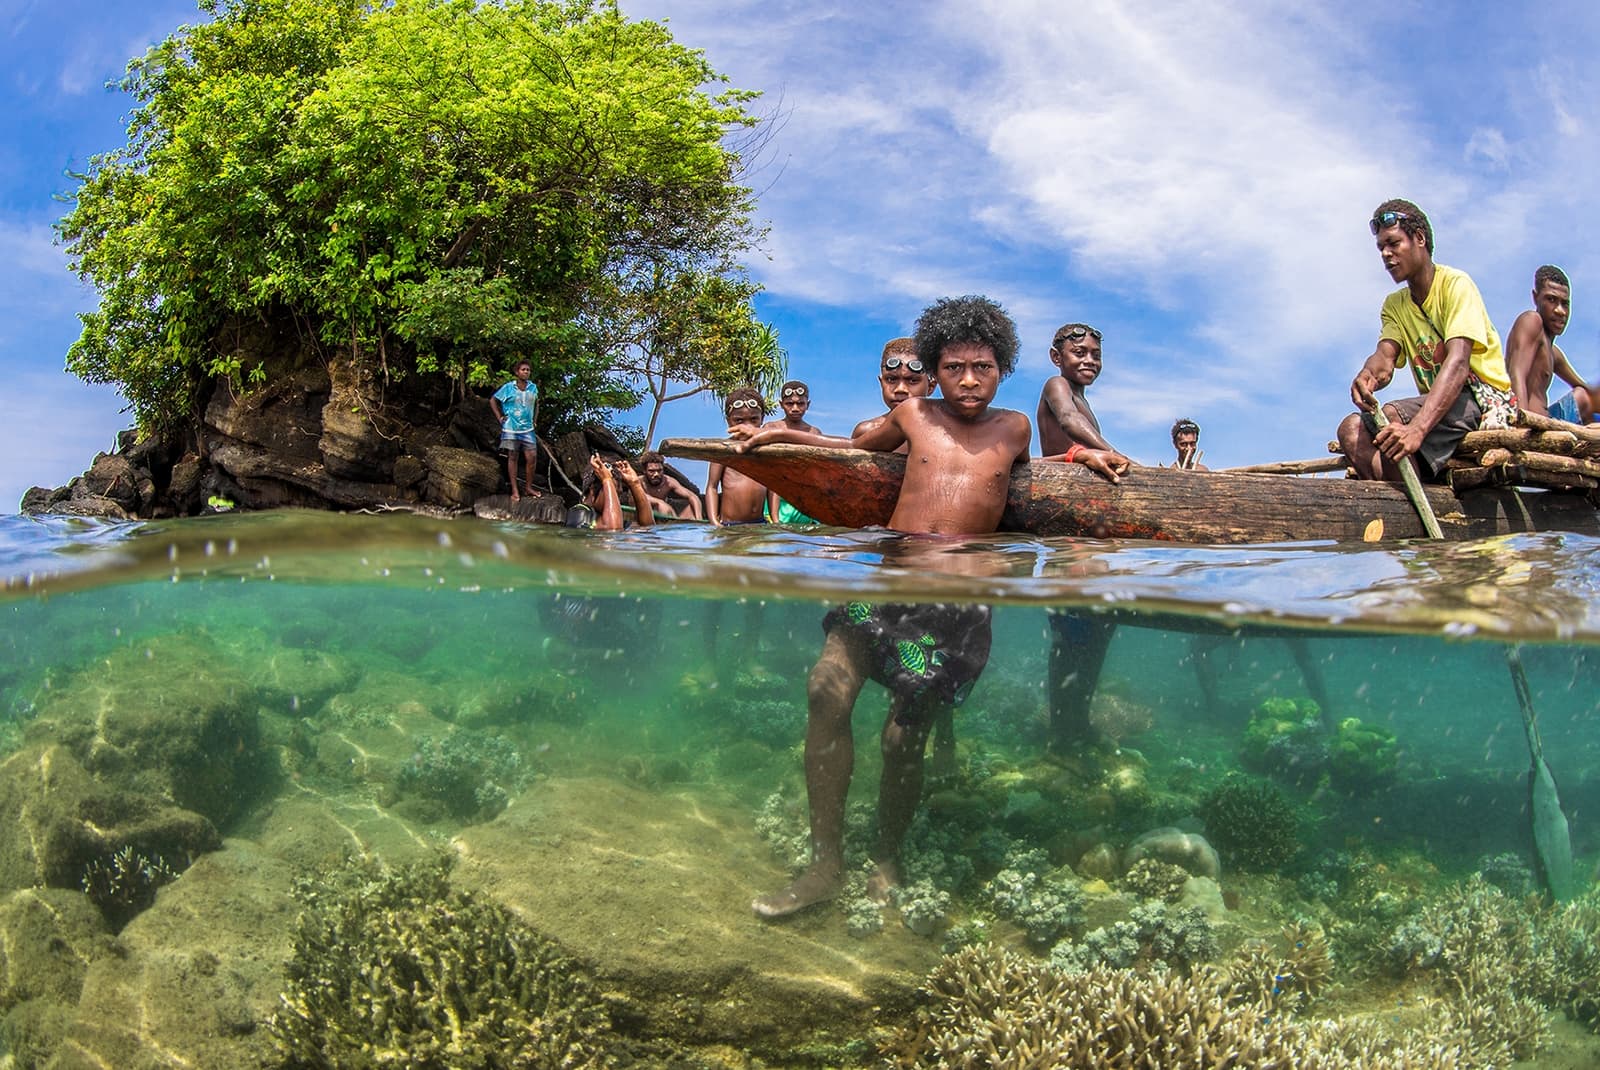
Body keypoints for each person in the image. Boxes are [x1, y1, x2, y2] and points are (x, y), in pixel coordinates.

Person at [732, 294, 1035, 918]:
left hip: (955, 600)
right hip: (886, 582)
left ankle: (888, 855)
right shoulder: (914, 414)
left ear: (1002, 366)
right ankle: (824, 864)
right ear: (934, 370)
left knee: (902, 738)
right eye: (954, 367)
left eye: (983, 366)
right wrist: (784, 433)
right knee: (825, 687)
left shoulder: (1015, 427)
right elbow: (854, 445)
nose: (969, 379)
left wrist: (1087, 454)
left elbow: (1043, 482)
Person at [1337, 200, 1514, 482]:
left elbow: (1457, 364)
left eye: (1393, 243)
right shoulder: (1395, 305)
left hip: (1479, 399)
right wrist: (1368, 376)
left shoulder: (1456, 285)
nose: (1386, 254)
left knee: (1394, 417)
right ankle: (1410, 504)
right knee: (1350, 429)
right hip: (1441, 406)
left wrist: (1417, 429)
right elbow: (1384, 357)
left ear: (1419, 238)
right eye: (1381, 247)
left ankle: (1411, 495)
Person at [1035, 323, 1131, 481]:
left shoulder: (1081, 400)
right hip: (1060, 480)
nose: (1089, 361)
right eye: (1079, 353)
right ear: (1056, 357)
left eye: (1096, 356)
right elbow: (1069, 419)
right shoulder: (1057, 384)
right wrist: (1116, 455)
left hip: (1081, 483)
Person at [1506, 266, 1597, 424]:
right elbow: (1517, 374)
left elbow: (1585, 388)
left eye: (1565, 303)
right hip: (1528, 425)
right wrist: (1521, 426)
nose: (1560, 311)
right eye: (1551, 300)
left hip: (1547, 422)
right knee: (1582, 397)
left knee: (1587, 398)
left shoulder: (1553, 353)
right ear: (1535, 298)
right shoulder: (1531, 321)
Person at [705, 388, 771, 525]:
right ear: (729, 421)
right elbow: (712, 486)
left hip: (760, 523)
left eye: (753, 419)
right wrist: (714, 522)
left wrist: (775, 519)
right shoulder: (723, 450)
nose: (747, 426)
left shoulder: (767, 450)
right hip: (731, 525)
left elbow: (773, 485)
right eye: (739, 420)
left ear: (762, 418)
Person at [765, 380, 822, 524]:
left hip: (805, 500)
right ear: (781, 404)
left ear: (807, 405)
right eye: (789, 404)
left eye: (800, 404)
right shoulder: (771, 428)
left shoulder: (814, 432)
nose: (795, 408)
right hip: (776, 498)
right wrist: (774, 516)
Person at [490, 359, 540, 500]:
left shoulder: (533, 387)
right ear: (517, 372)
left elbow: (537, 404)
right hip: (511, 429)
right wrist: (499, 417)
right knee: (513, 457)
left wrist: (535, 420)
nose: (526, 372)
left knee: (532, 457)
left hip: (528, 429)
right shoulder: (508, 387)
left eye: (528, 370)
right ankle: (515, 490)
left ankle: (528, 487)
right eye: (523, 369)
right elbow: (493, 400)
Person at [567, 456, 656, 531]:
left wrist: (635, 484)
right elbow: (612, 532)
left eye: (618, 495)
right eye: (612, 492)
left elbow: (648, 529)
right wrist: (607, 480)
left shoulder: (615, 517)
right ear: (593, 489)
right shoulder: (578, 513)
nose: (616, 500)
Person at [638, 450, 704, 520]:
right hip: (641, 519)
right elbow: (642, 497)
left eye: (659, 470)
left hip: (665, 517)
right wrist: (660, 502)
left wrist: (699, 518)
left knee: (692, 507)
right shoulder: (637, 482)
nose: (656, 474)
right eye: (651, 471)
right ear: (644, 471)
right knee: (662, 507)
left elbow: (693, 496)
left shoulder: (668, 481)